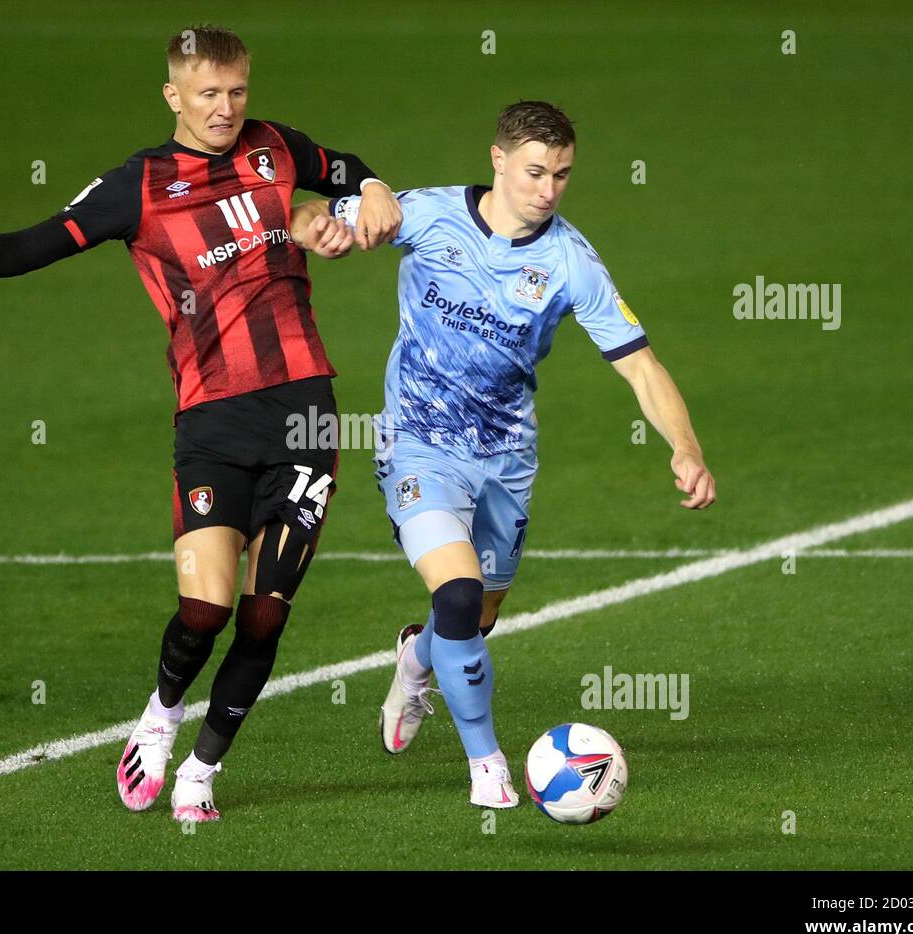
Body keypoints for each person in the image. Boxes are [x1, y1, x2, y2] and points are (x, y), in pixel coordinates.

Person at [0, 24, 398, 822]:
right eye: (208, 94)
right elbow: (30, 245)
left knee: (265, 610)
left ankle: (203, 771)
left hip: (305, 407)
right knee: (204, 610)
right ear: (174, 95)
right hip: (211, 416)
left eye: (236, 91)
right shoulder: (137, 186)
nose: (225, 108)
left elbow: (343, 172)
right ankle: (162, 715)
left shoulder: (275, 147)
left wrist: (368, 191)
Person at [293, 100, 715, 807]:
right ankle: (486, 764)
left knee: (476, 618)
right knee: (455, 594)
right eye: (534, 171)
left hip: (507, 458)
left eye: (562, 174)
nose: (548, 189)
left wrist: (687, 446)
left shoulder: (571, 263)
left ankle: (416, 656)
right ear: (498, 160)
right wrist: (318, 226)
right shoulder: (425, 215)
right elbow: (303, 208)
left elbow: (640, 364)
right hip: (418, 444)